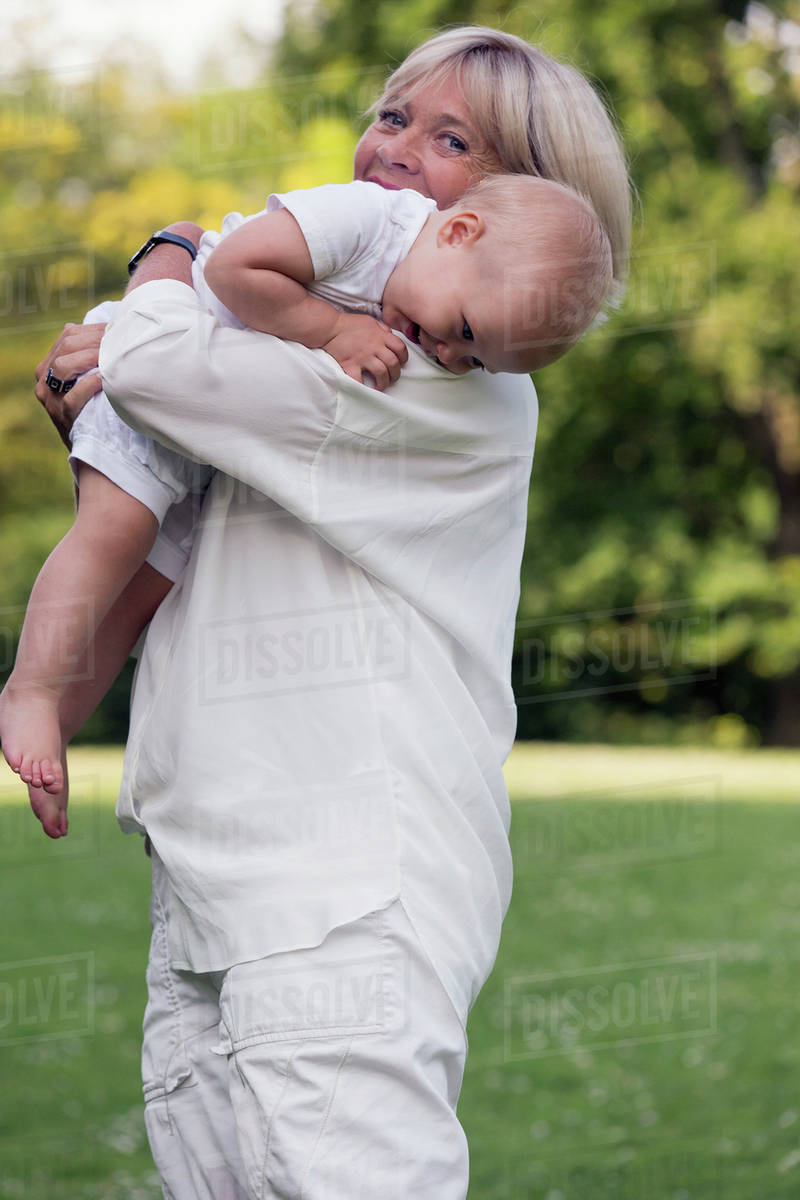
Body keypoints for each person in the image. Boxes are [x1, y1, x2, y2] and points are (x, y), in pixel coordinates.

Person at [21, 26, 631, 1200]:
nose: (396, 152)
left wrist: (164, 258)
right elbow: (154, 526)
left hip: (339, 899)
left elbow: (146, 362)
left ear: (509, 206)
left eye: (454, 140)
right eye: (392, 115)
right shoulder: (332, 343)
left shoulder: (445, 384)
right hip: (223, 879)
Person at [0, 171, 610, 816]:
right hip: (141, 361)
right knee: (113, 534)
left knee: (148, 585)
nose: (444, 353)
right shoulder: (368, 220)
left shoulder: (436, 311)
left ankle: (51, 736)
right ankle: (30, 692)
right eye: (461, 328)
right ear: (458, 231)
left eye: (475, 359)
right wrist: (333, 331)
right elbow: (235, 266)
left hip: (201, 423)